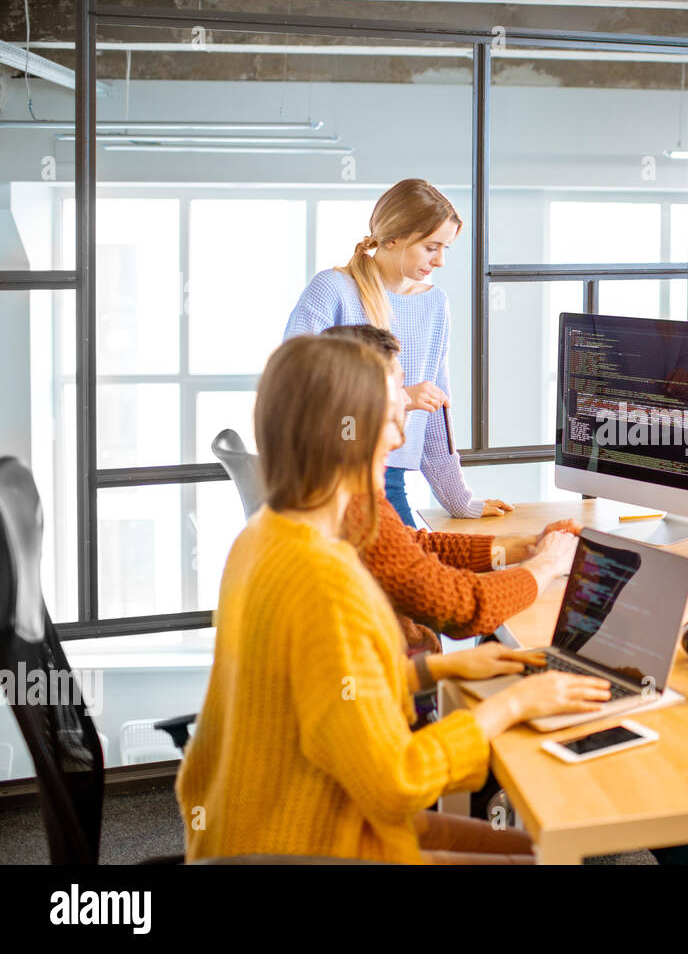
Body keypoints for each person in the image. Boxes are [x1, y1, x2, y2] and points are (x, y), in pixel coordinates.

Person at [176, 335, 610, 864]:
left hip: (251, 829)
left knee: (538, 850)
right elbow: (398, 780)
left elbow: (327, 694)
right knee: (548, 855)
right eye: (389, 417)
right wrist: (513, 703)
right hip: (311, 844)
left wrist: (434, 672)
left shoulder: (266, 534)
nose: (402, 433)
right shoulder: (326, 579)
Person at [322, 324, 578, 653]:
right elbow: (465, 608)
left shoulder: (332, 485)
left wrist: (528, 546)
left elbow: (410, 548)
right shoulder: (348, 504)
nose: (400, 435)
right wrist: (547, 564)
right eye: (390, 409)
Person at [283, 178, 509, 527]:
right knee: (416, 575)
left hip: (388, 481)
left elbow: (435, 410)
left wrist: (460, 501)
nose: (440, 262)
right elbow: (297, 387)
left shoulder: (435, 304)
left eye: (446, 248)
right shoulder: (333, 289)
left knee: (433, 567)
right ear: (393, 238)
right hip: (333, 477)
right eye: (431, 247)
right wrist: (400, 398)